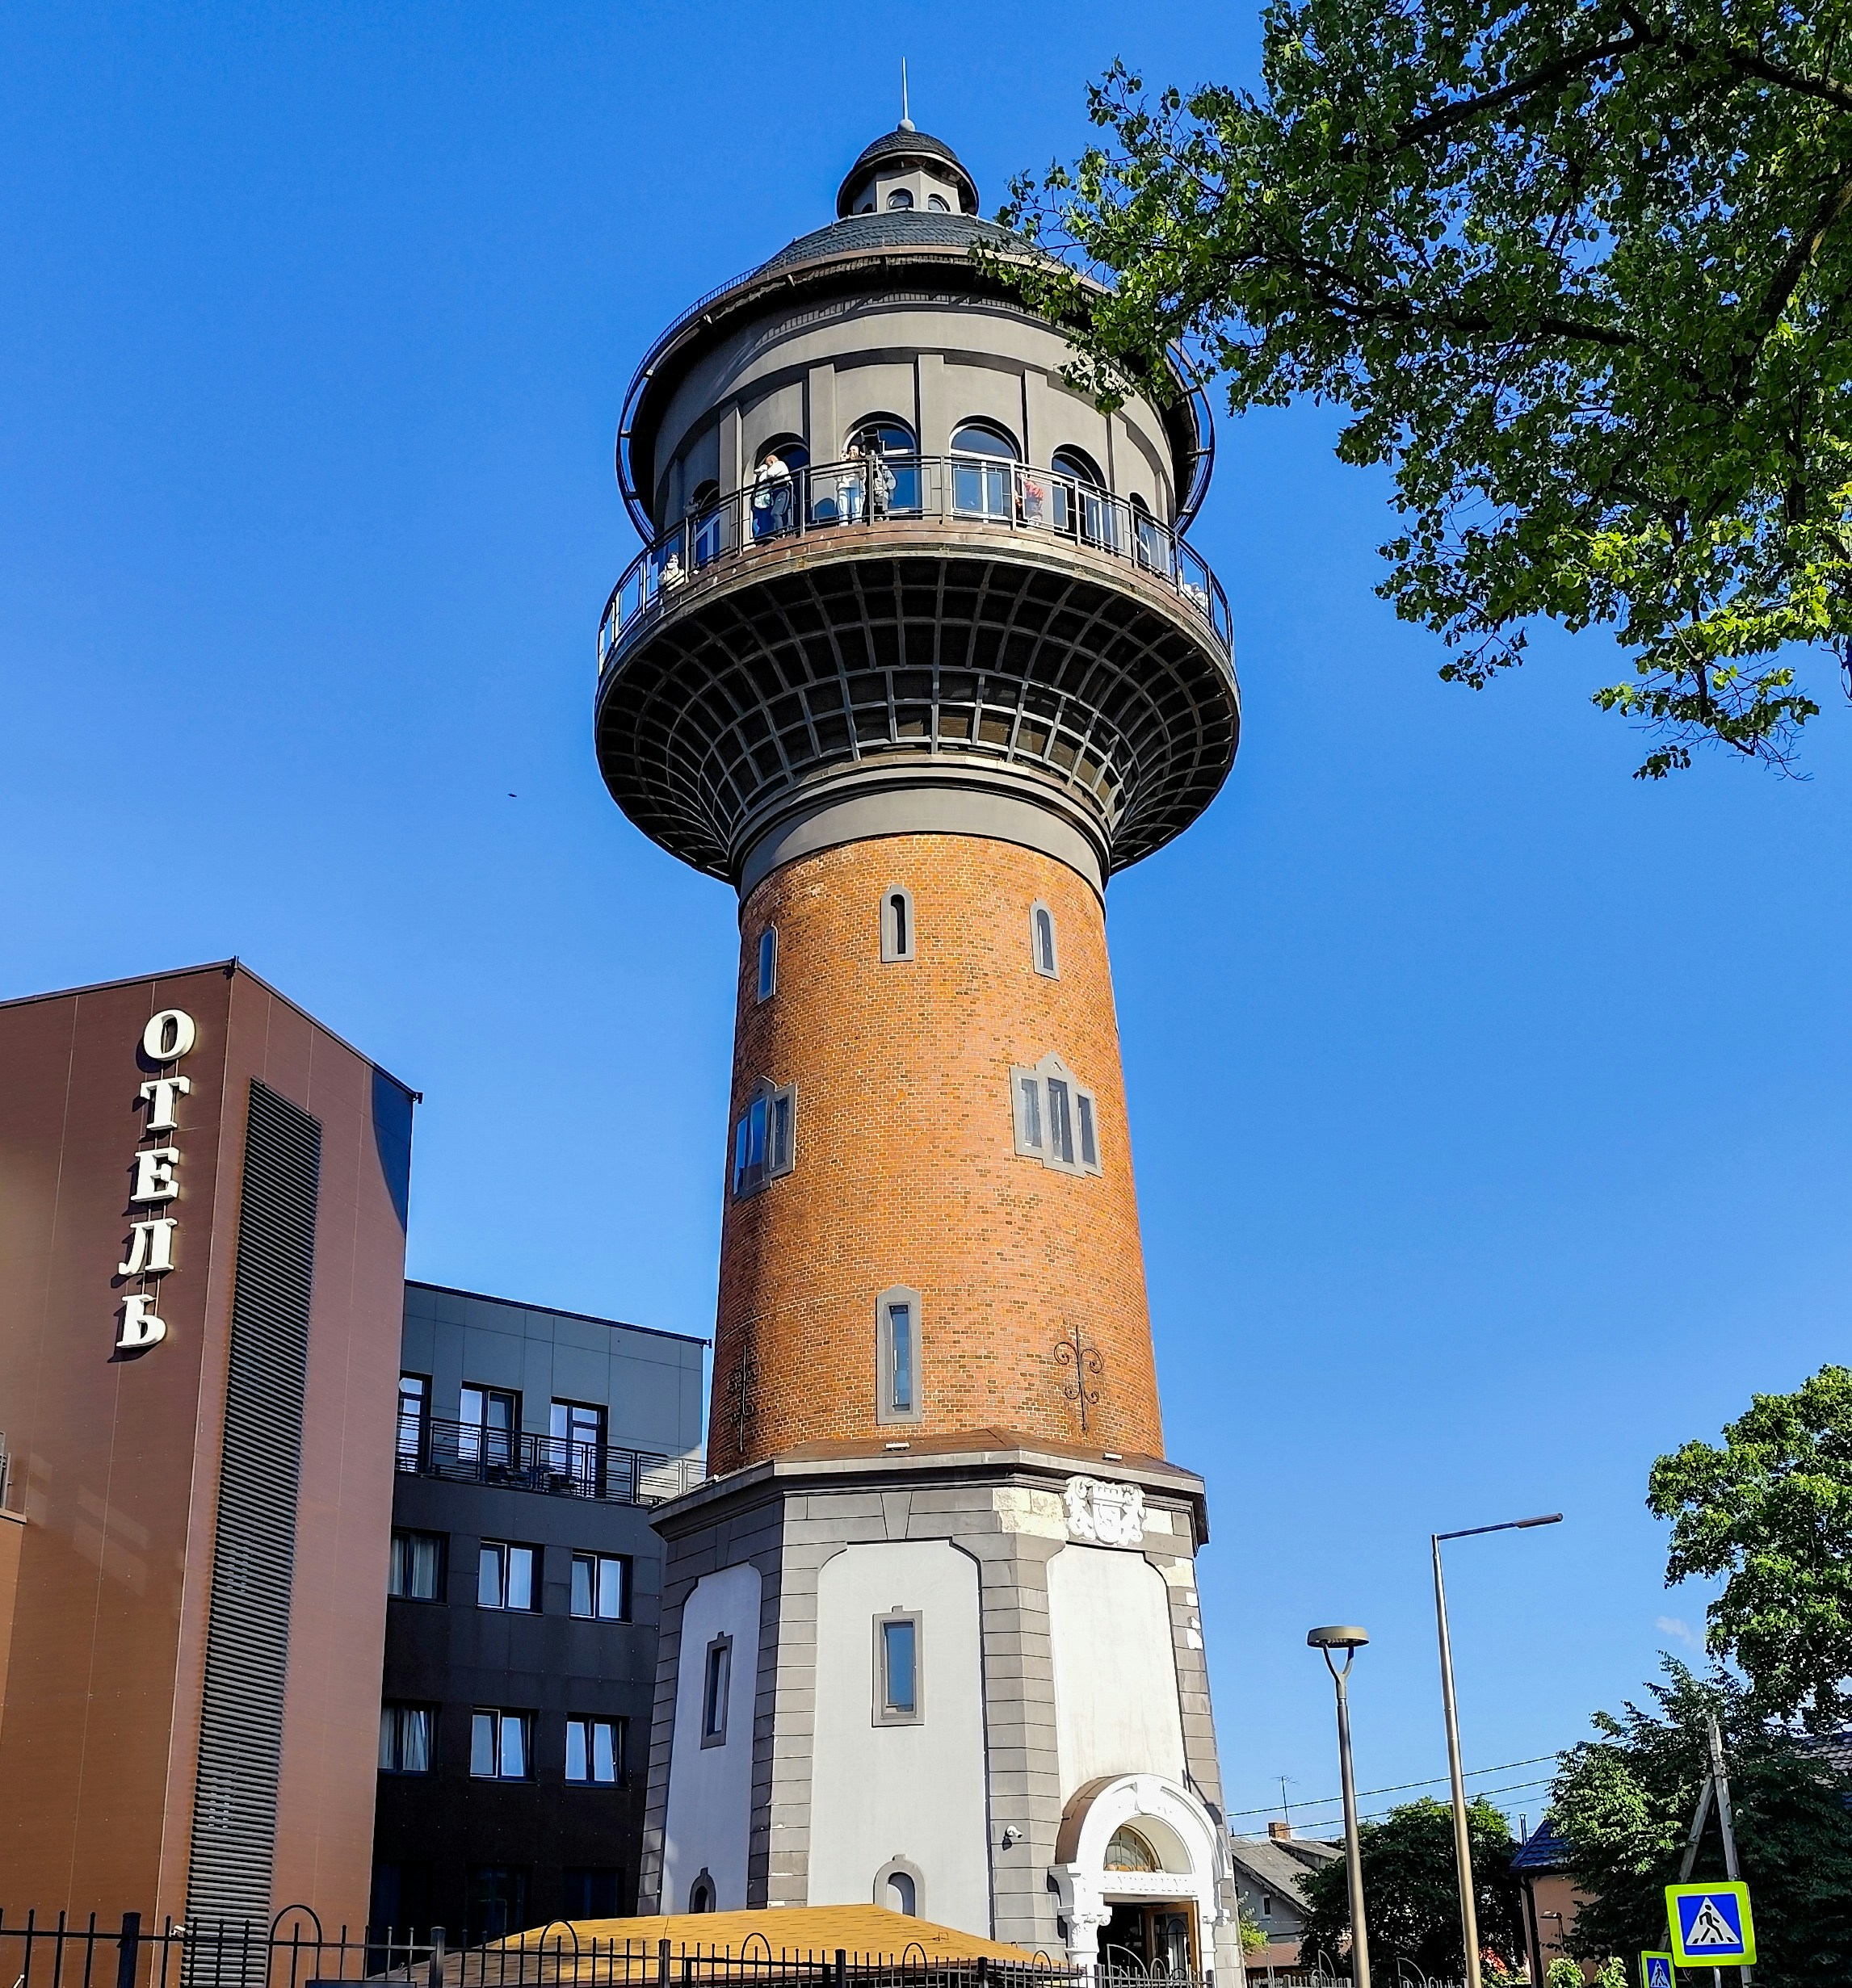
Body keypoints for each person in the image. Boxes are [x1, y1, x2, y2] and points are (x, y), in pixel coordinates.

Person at [753, 451, 792, 539]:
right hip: (779, 492)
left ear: (772, 462)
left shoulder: (780, 464)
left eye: (768, 464)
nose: (768, 467)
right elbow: (761, 479)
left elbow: (770, 474)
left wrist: (764, 469)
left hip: (783, 490)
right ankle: (782, 532)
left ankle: (780, 534)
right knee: (779, 513)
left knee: (775, 513)